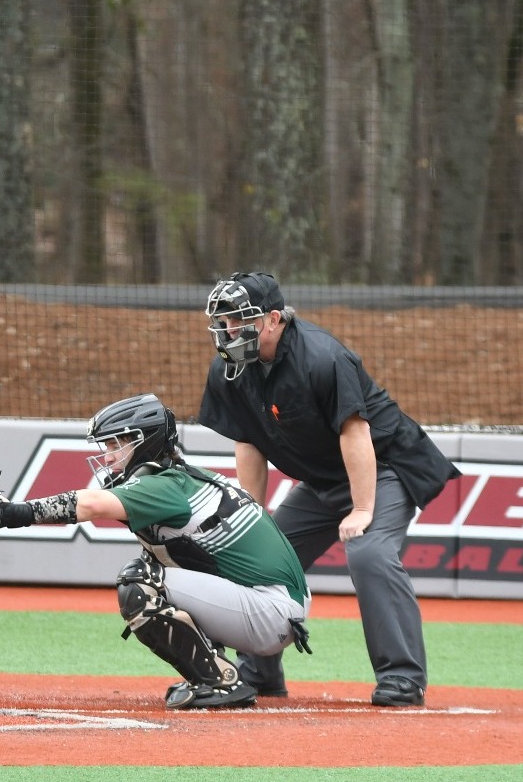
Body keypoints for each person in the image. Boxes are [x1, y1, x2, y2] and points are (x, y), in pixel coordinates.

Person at [196, 271, 458, 708]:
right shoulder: (229, 368)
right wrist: (253, 518)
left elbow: (355, 434)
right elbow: (248, 442)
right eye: (222, 322)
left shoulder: (321, 357)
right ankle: (258, 674)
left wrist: (361, 508)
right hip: (322, 482)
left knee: (369, 552)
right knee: (260, 558)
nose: (227, 331)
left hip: (385, 467)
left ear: (273, 319)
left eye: (238, 321)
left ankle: (402, 679)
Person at [0, 393, 311, 710]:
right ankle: (235, 670)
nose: (107, 456)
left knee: (139, 580)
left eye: (115, 444)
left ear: (144, 442)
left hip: (270, 612)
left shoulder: (162, 485)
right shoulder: (179, 479)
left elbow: (91, 504)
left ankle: (221, 680)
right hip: (278, 607)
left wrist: (11, 513)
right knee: (159, 563)